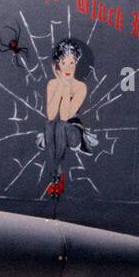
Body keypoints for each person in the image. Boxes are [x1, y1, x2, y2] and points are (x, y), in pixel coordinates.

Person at [38, 38, 92, 197]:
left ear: (76, 63)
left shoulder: (81, 87)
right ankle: (57, 176)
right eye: (63, 63)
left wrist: (66, 86)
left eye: (71, 63)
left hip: (73, 131)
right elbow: (51, 114)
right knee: (50, 125)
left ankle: (55, 176)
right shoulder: (52, 84)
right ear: (57, 66)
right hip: (55, 131)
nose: (68, 68)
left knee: (60, 125)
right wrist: (61, 84)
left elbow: (66, 116)